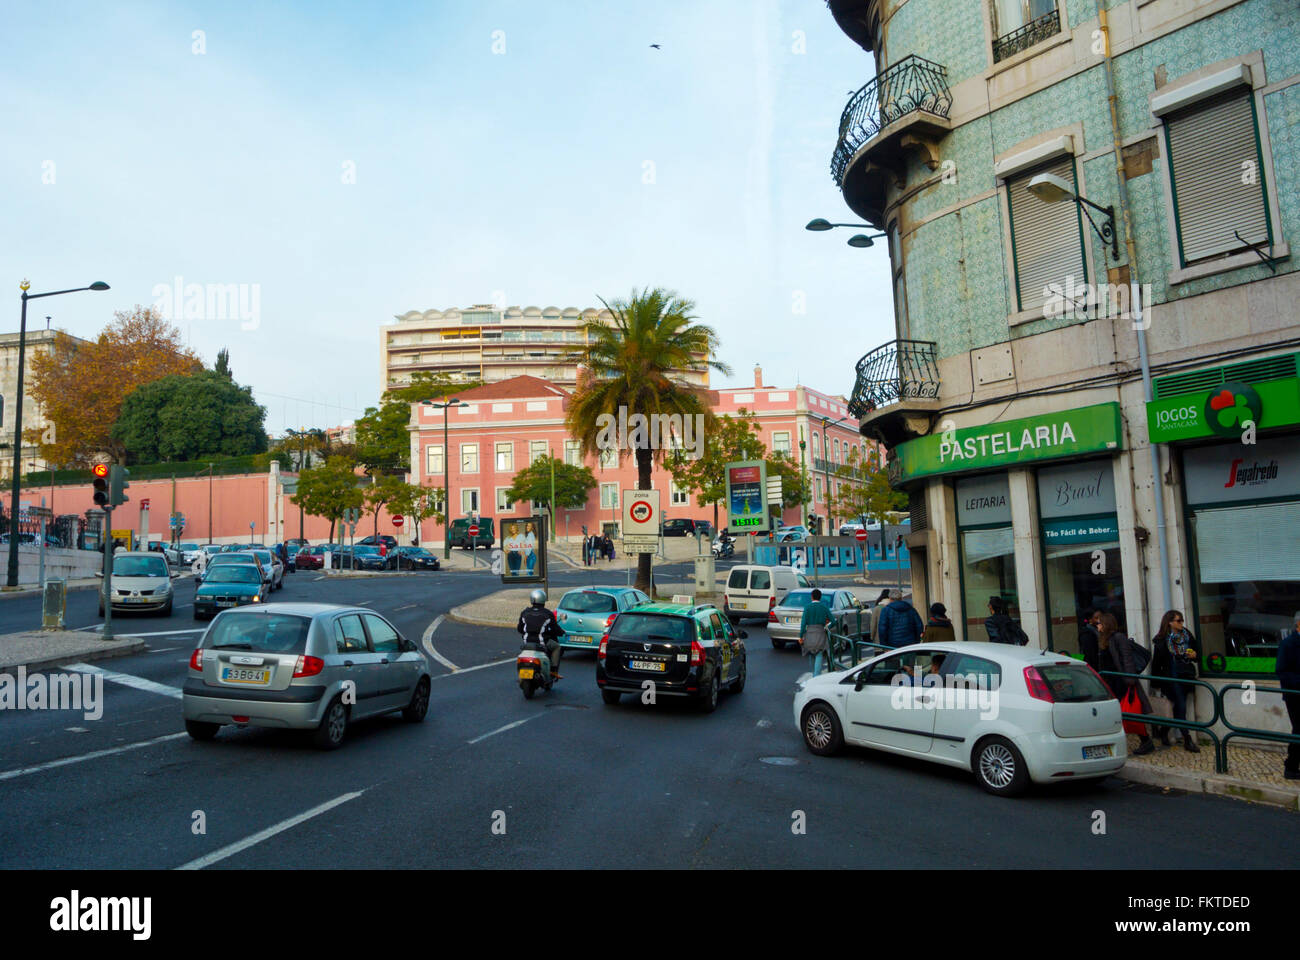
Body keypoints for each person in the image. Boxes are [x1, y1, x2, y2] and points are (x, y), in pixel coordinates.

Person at [1097, 612, 1155, 756]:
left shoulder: (1118, 637)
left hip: (1121, 681)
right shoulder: (1104, 639)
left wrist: (1129, 679)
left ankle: (1146, 741)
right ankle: (1116, 743)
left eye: (1099, 623)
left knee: (1129, 712)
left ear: (1105, 624)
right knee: (1116, 714)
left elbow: (1127, 658)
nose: (1097, 625)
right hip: (1110, 681)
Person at [1152, 609, 1200, 752]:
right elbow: (1157, 662)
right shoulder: (1162, 639)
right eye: (1178, 621)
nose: (1181, 623)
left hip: (1185, 674)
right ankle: (1187, 739)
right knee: (1181, 706)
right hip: (1171, 677)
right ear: (1170, 623)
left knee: (1178, 707)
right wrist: (1155, 683)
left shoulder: (1187, 635)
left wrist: (1194, 656)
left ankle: (1163, 731)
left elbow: (1197, 653)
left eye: (1182, 620)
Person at [517, 588, 562, 679]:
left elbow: (520, 628)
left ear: (531, 599)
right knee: (557, 647)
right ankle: (554, 670)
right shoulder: (548, 614)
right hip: (542, 642)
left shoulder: (524, 612)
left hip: (527, 642)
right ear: (543, 599)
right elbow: (555, 628)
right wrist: (561, 632)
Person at [1276, 611, 1300, 780]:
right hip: (1295, 696)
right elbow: (1282, 671)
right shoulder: (1288, 644)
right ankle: (1291, 766)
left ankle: (1291, 765)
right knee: (1299, 730)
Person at [799, 588, 833, 676]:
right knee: (819, 654)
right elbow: (833, 621)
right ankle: (816, 677)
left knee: (811, 654)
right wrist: (826, 627)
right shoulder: (824, 607)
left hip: (809, 634)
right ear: (820, 597)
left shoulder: (807, 607)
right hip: (820, 633)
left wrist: (801, 636)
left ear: (812, 597)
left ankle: (814, 674)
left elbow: (803, 624)